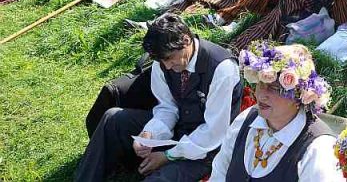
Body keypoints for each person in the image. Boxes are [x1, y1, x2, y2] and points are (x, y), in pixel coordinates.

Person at [74, 13, 243, 182]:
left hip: (206, 151)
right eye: (163, 61)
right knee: (112, 118)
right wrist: (150, 133)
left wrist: (168, 156)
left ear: (186, 40)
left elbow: (214, 133)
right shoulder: (162, 64)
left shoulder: (222, 69)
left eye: (169, 58)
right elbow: (167, 108)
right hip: (179, 131)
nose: (168, 66)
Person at [209, 43, 343, 181]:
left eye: (273, 88)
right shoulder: (246, 119)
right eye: (260, 83)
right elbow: (219, 171)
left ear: (298, 97)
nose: (261, 95)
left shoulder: (318, 149)